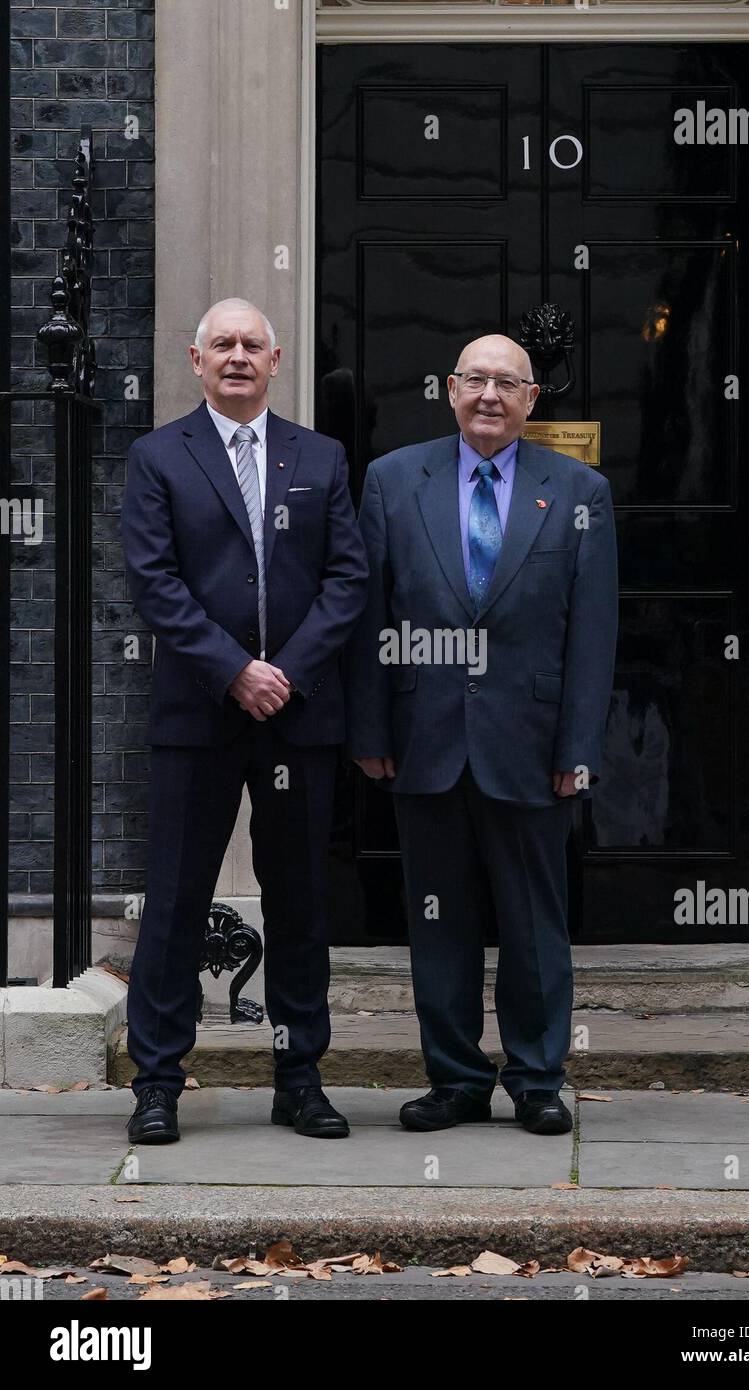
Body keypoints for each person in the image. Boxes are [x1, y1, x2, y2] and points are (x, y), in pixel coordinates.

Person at [347, 334, 618, 1135]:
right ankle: (456, 1079)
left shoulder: (580, 490)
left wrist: (580, 746)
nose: (490, 395)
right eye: (476, 380)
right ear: (449, 390)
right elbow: (368, 618)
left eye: (508, 383)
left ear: (533, 399)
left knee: (535, 922)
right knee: (438, 918)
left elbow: (593, 633)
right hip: (423, 738)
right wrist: (368, 726)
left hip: (531, 745)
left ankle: (538, 1078)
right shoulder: (392, 481)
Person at [121, 298, 368, 1142]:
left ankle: (299, 1078)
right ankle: (157, 1082)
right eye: (221, 344)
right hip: (199, 714)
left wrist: (285, 674)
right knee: (177, 901)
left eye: (250, 345)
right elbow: (154, 583)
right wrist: (234, 672)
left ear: (275, 360)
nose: (236, 356)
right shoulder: (159, 457)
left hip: (298, 717)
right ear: (195, 361)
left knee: (300, 902)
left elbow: (348, 580)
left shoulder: (323, 457)